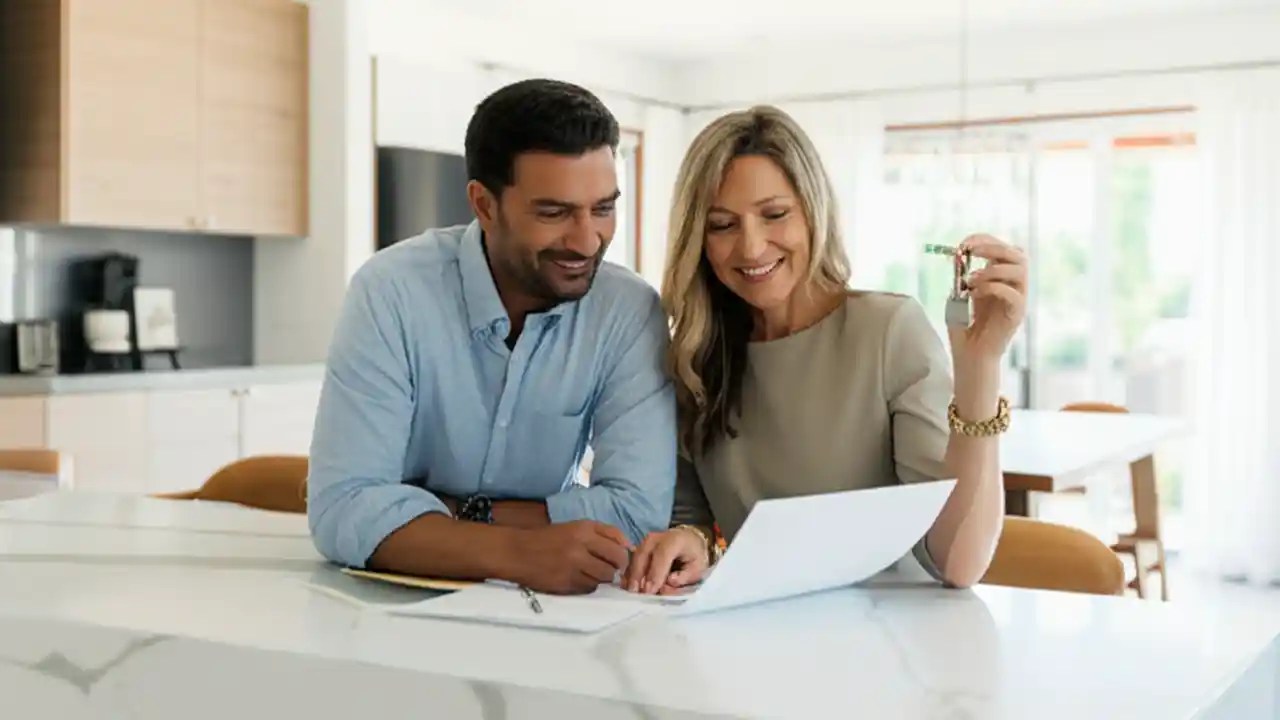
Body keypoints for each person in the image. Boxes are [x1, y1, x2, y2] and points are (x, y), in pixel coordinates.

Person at [622, 106, 1028, 594]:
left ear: (814, 213)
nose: (751, 248)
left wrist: (980, 365)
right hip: (754, 636)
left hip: (894, 643)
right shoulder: (694, 352)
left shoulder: (887, 332)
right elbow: (694, 517)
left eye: (774, 215)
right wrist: (689, 539)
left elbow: (957, 564)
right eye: (722, 225)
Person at [307, 79, 677, 595]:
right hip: (386, 606)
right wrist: (520, 551)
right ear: (484, 204)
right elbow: (343, 508)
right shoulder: (391, 292)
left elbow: (635, 513)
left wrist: (446, 515)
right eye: (554, 213)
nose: (586, 240)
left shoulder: (628, 312)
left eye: (603, 208)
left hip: (558, 616)